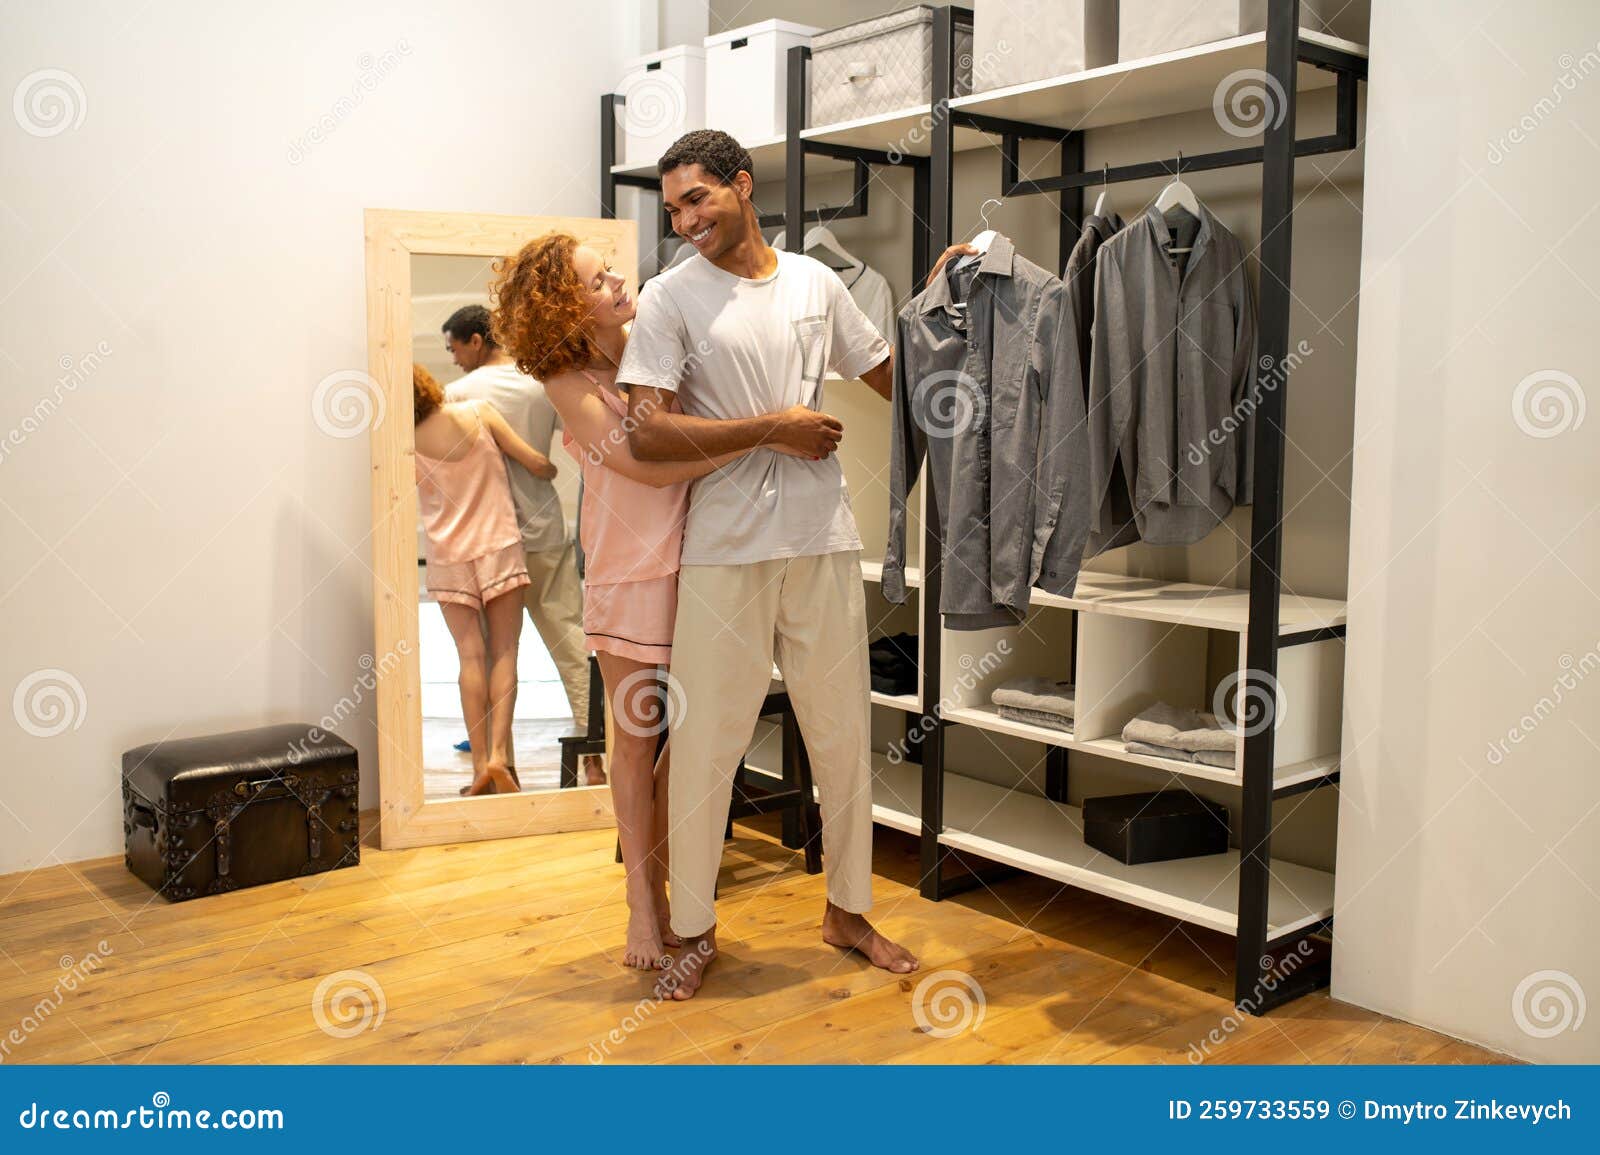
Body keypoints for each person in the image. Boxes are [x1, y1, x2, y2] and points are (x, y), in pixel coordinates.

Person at [617, 129, 923, 1000]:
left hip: (822, 536)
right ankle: (692, 928)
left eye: (696, 200)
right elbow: (645, 428)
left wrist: (947, 313)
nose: (683, 221)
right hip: (724, 549)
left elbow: (894, 379)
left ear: (741, 186)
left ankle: (849, 910)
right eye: (672, 207)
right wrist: (770, 427)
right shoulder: (669, 297)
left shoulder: (818, 283)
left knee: (841, 736)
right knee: (709, 744)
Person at [488, 233, 832, 969]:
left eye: (611, 270)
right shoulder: (568, 381)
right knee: (637, 741)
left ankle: (682, 902)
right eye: (595, 280)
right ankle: (641, 911)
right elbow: (647, 467)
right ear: (562, 307)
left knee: (696, 742)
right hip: (633, 572)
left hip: (705, 557)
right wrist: (770, 432)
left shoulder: (658, 336)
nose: (618, 281)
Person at [442, 305, 603, 786]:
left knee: (490, 656)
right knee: (572, 641)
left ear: (475, 341)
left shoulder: (457, 394)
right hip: (543, 530)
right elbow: (577, 440)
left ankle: (500, 762)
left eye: (454, 348)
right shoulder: (539, 384)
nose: (452, 360)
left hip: (486, 539)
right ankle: (595, 757)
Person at [412, 363, 558, 797]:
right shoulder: (479, 412)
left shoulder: (403, 442)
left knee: (469, 658)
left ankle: (477, 766)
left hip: (448, 556)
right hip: (498, 544)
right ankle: (499, 756)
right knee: (505, 652)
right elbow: (536, 464)